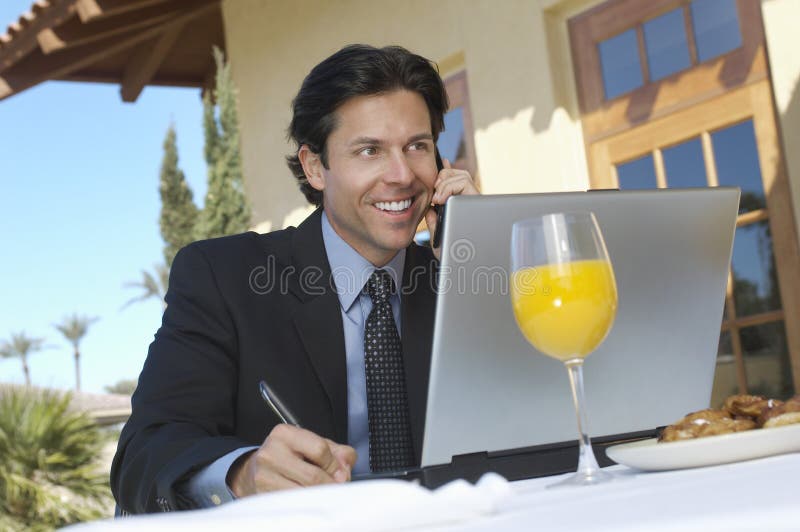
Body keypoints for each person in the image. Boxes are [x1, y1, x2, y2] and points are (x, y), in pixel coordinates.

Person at [110, 44, 479, 514]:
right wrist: (241, 474)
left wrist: (474, 260)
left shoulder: (459, 277)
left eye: (418, 147)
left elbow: (553, 418)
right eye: (369, 151)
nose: (403, 175)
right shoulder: (223, 277)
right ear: (314, 167)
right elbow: (144, 453)